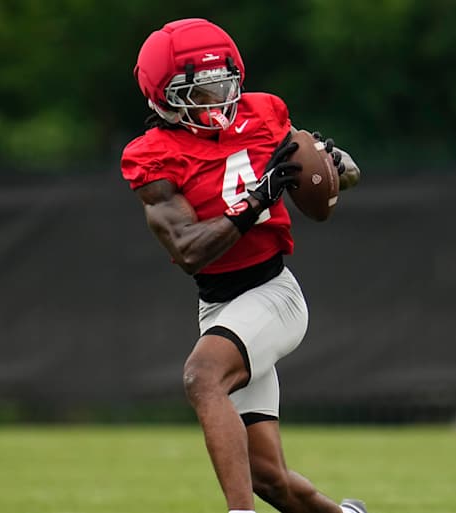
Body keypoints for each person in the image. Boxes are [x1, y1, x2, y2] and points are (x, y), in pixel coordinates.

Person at [120, 18, 364, 513]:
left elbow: (345, 174)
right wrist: (256, 201)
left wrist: (330, 164)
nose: (215, 100)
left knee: (202, 376)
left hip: (274, 294)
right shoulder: (152, 155)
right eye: (200, 90)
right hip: (219, 307)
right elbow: (189, 250)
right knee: (268, 478)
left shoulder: (265, 113)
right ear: (163, 95)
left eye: (221, 84)